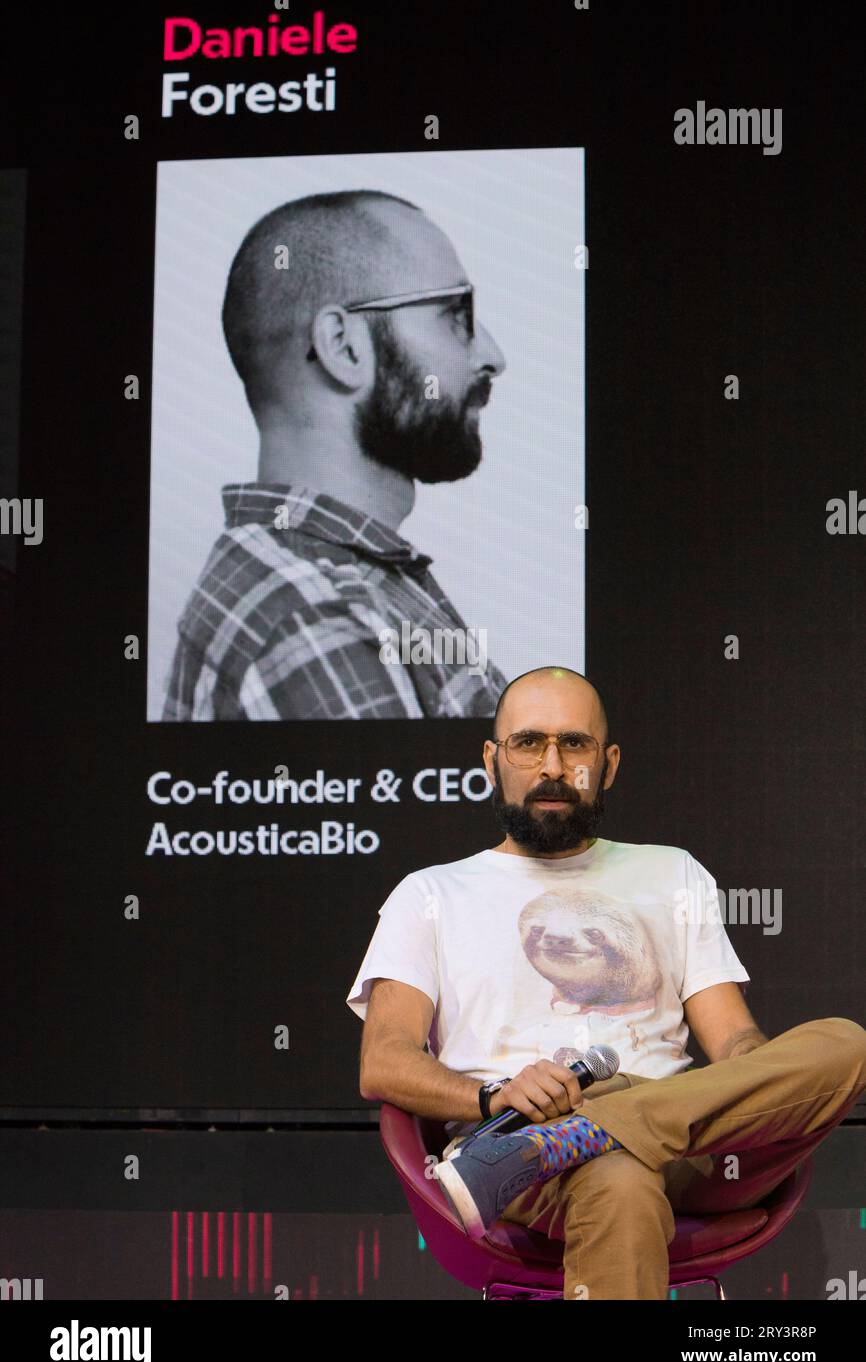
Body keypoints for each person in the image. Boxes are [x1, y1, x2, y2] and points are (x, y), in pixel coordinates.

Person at [345, 665, 866, 1298]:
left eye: (575, 743)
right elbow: (384, 1060)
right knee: (618, 1178)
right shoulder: (430, 893)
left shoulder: (672, 873)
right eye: (529, 742)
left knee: (846, 1043)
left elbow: (734, 1043)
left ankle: (598, 1124)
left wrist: (757, 1077)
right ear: (492, 759)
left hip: (694, 1146)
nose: (553, 767)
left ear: (609, 762)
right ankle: (575, 1141)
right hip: (524, 1147)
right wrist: (494, 1098)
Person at [161, 188, 507, 720]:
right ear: (343, 347)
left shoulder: (351, 582)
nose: (491, 355)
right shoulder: (313, 620)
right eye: (455, 313)